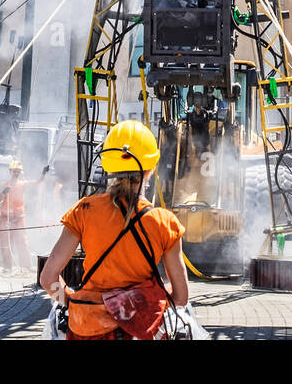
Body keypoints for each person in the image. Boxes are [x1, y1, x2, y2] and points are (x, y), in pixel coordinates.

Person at [39, 121, 190, 340]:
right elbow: (181, 297)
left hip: (86, 330)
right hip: (141, 333)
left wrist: (72, 302)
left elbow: (48, 278)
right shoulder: (165, 223)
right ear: (149, 171)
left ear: (108, 166)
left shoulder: (84, 210)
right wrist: (145, 308)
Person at [0, 159, 30, 272]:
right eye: (14, 171)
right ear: (10, 171)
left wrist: (43, 174)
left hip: (18, 218)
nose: (16, 173)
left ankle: (25, 266)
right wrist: (4, 192)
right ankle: (8, 267)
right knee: (6, 242)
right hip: (6, 218)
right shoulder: (5, 185)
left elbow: (36, 183)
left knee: (22, 241)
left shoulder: (22, 184)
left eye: (18, 171)